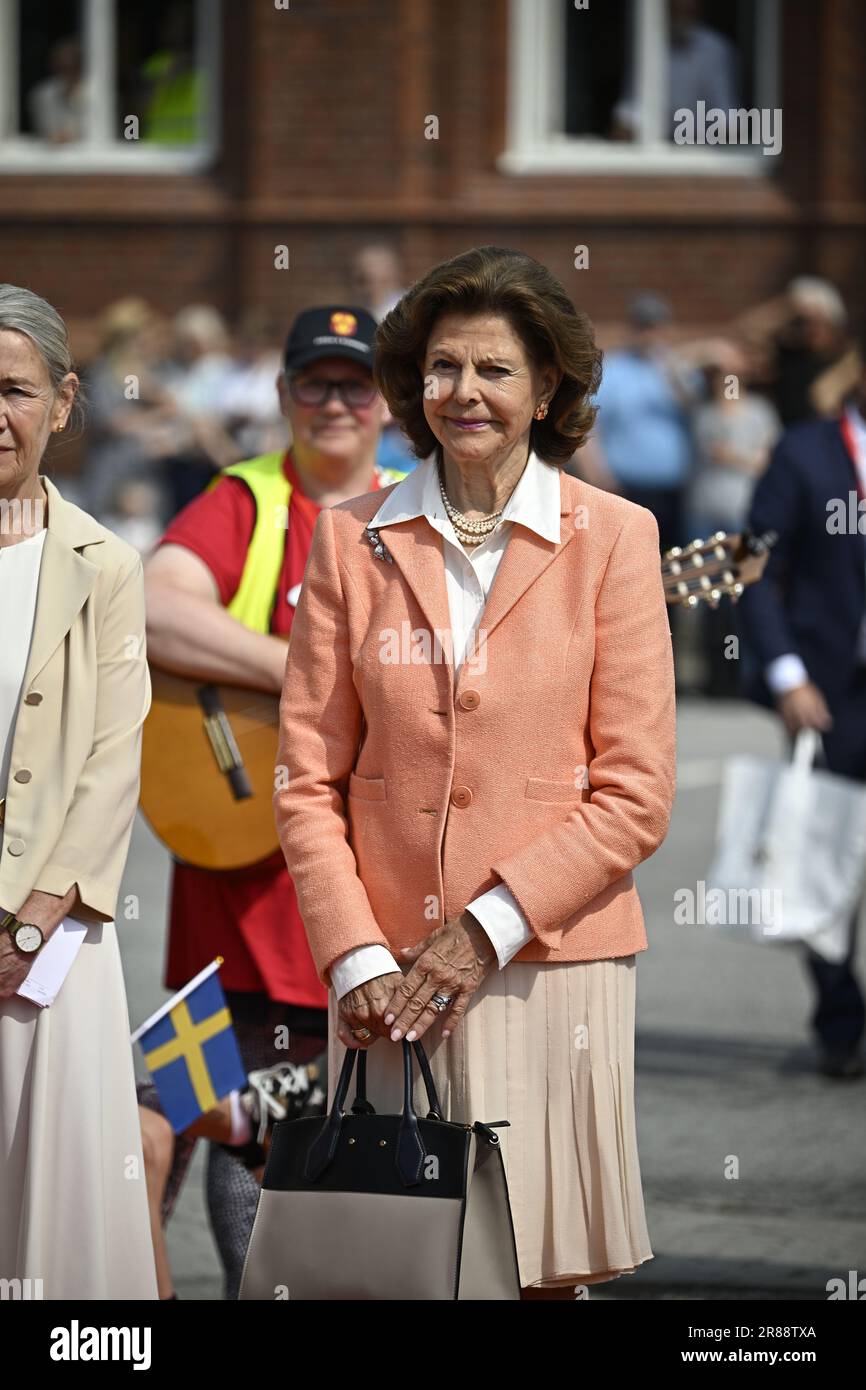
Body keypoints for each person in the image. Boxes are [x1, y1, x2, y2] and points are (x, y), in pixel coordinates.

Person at [275, 246, 677, 1298]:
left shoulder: (615, 539)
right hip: (383, 981)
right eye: (441, 368)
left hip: (545, 968)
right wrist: (353, 954)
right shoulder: (347, 540)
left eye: (494, 370)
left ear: (547, 388)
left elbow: (634, 793)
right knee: (391, 1271)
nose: (464, 394)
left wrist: (483, 931)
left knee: (532, 1272)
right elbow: (306, 779)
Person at [143, 304, 409, 1299]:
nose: (334, 401)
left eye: (354, 382)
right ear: (284, 393)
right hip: (227, 867)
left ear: (384, 399)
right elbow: (153, 601)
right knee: (171, 1110)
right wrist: (300, 669)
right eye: (315, 381)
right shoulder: (244, 495)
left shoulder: (420, 507)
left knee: (285, 1125)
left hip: (344, 880)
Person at [0, 284, 156, 1298]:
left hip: (47, 935)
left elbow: (113, 756)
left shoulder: (104, 564)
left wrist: (31, 922)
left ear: (61, 403)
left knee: (46, 1217)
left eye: (12, 390)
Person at [737, 337, 866, 1080]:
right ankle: (842, 1027)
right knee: (822, 864)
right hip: (829, 693)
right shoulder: (805, 452)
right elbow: (753, 564)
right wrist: (785, 674)